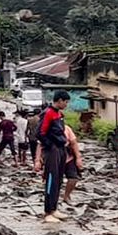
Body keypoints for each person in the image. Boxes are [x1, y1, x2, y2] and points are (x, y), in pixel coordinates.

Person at [34, 91, 71, 223]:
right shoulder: (48, 113)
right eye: (65, 102)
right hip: (52, 150)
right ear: (59, 100)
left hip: (61, 149)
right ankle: (47, 211)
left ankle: (54, 208)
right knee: (51, 179)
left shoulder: (59, 114)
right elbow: (40, 133)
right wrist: (50, 145)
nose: (66, 105)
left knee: (58, 180)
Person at [63, 125, 82, 204]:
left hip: (69, 158)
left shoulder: (66, 129)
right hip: (54, 159)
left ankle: (66, 196)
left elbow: (74, 143)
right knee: (55, 181)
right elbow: (40, 145)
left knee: (73, 178)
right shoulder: (47, 128)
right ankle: (53, 199)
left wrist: (78, 158)